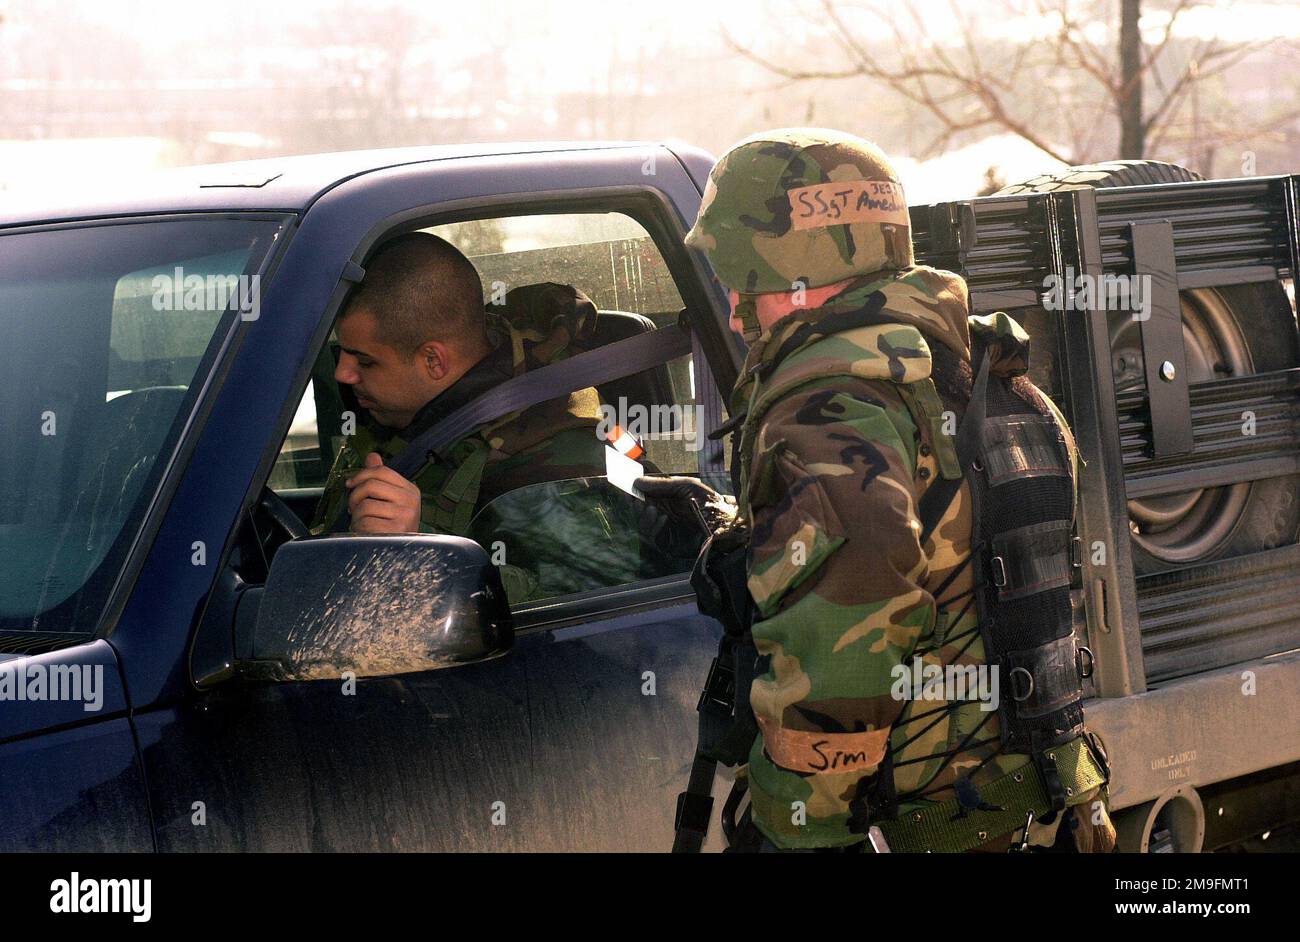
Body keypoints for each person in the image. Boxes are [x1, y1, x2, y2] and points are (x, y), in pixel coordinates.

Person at [650, 128, 1115, 853]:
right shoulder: (997, 382)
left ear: (794, 263)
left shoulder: (829, 410)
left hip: (905, 823)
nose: (737, 310)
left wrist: (792, 821)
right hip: (1016, 801)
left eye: (747, 278)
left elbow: (846, 644)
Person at [310, 232, 617, 600]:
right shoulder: (390, 412)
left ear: (433, 361)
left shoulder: (554, 444)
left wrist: (422, 551)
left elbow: (590, 607)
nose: (342, 374)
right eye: (342, 353)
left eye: (364, 360)